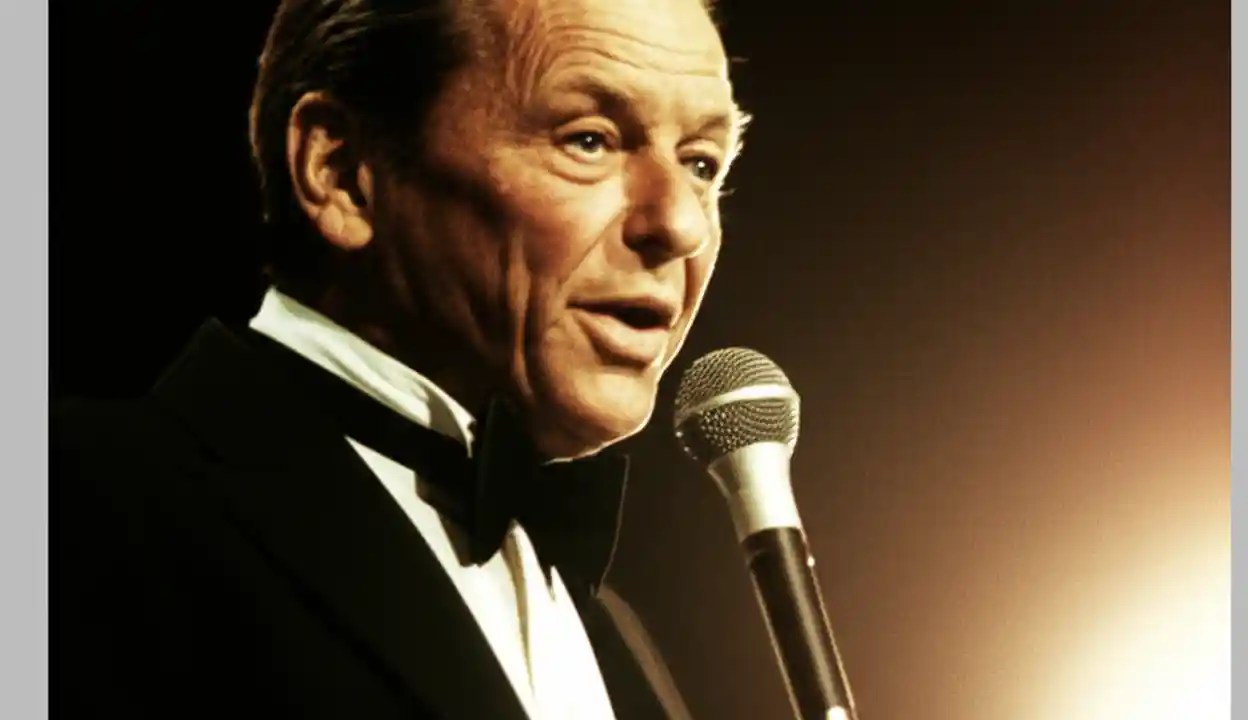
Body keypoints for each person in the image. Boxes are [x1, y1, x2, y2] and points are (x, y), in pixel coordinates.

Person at [51, 0, 747, 717]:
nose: (681, 223)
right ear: (343, 172)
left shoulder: (613, 638)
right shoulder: (67, 506)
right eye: (589, 140)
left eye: (701, 163)